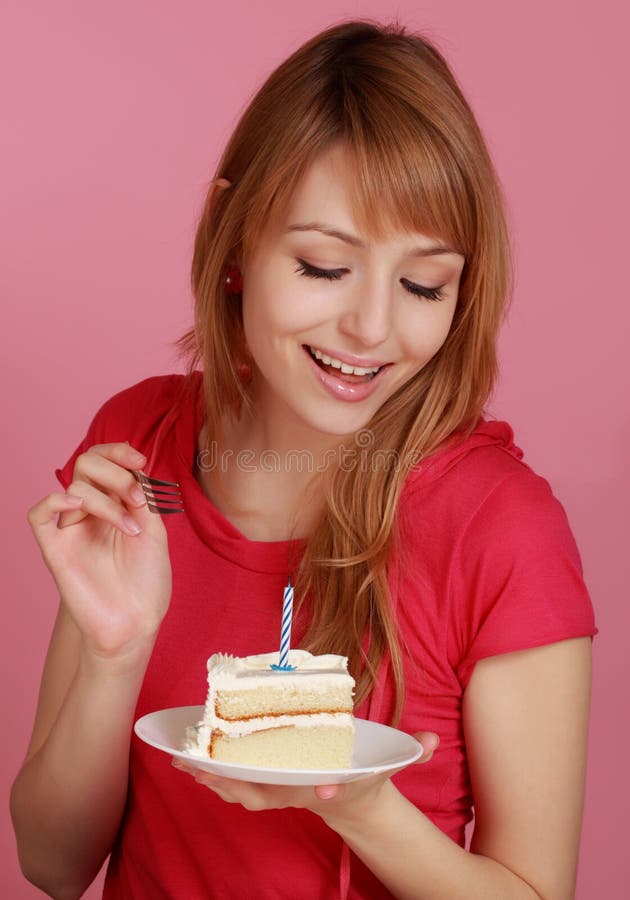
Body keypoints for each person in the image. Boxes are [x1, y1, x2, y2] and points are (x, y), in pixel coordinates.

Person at [11, 20, 596, 900]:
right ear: (235, 236)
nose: (371, 328)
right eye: (324, 266)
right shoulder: (141, 447)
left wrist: (362, 807)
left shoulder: (501, 526)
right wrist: (113, 655)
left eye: (424, 284)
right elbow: (51, 865)